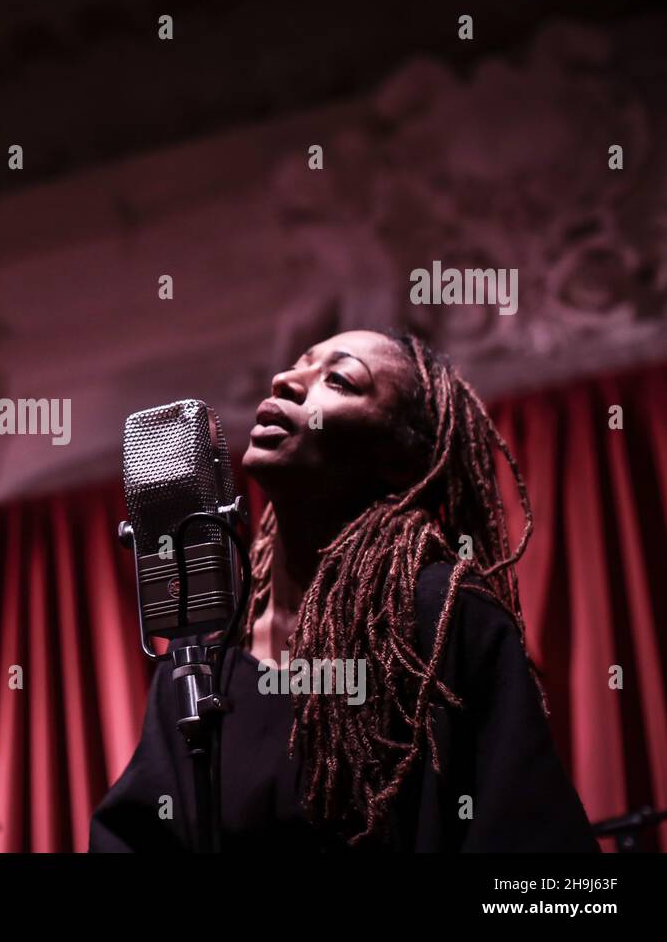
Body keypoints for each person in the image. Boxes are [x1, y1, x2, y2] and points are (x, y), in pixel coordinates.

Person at [89, 330, 599, 852]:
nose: (285, 380)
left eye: (339, 379)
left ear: (400, 459)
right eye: (297, 366)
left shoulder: (445, 617)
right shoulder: (206, 656)